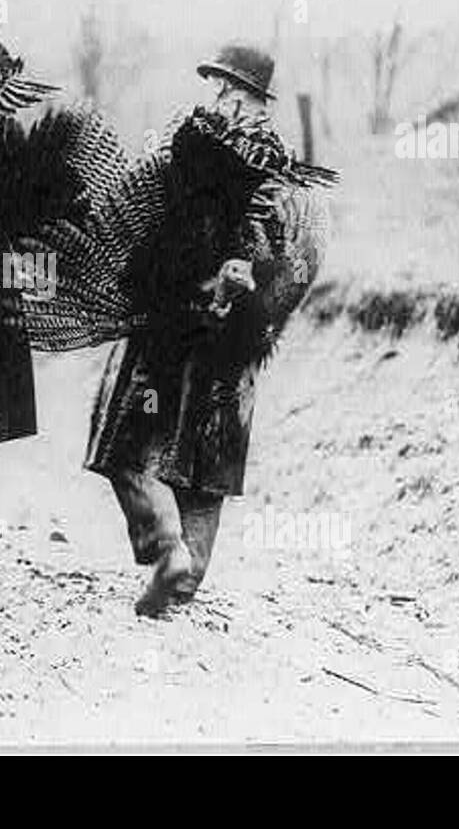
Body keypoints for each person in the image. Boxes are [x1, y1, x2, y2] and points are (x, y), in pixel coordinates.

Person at [87, 44, 312, 616]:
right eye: (215, 86)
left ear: (250, 99)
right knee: (211, 462)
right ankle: (186, 580)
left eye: (225, 87)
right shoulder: (287, 172)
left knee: (128, 449)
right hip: (238, 342)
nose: (215, 96)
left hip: (173, 327)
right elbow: (297, 261)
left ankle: (168, 550)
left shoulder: (187, 145)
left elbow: (156, 227)